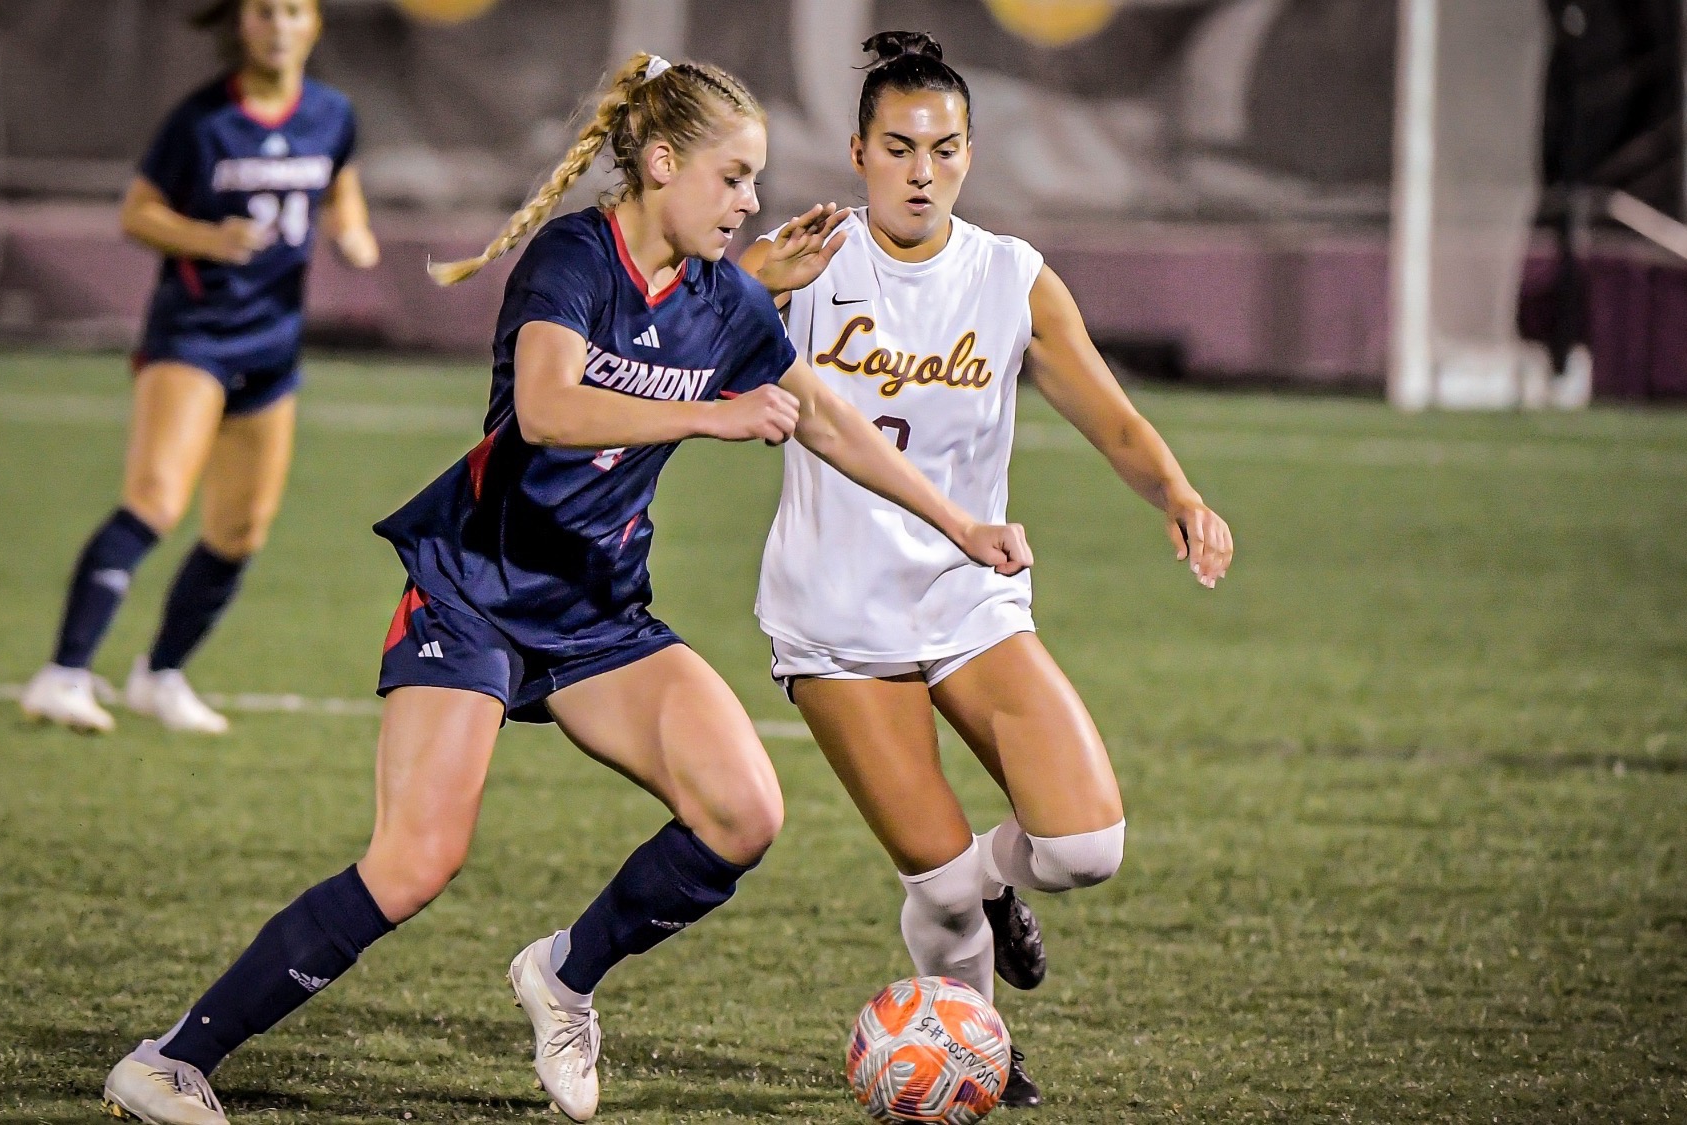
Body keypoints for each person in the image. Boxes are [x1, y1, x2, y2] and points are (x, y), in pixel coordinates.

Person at [98, 51, 1032, 1125]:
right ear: (663, 162)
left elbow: (823, 416)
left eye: (755, 180)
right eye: (732, 177)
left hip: (596, 612)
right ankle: (170, 1060)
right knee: (412, 864)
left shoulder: (722, 298)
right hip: (474, 593)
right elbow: (545, 409)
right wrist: (706, 412)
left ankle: (563, 977)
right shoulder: (572, 259)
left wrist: (959, 522)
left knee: (740, 812)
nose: (750, 202)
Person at [741, 30, 1235, 1107]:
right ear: (858, 150)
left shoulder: (1010, 277)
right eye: (899, 147)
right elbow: (674, 333)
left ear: (970, 153)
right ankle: (977, 1055)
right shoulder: (810, 259)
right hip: (836, 617)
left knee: (1085, 847)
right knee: (943, 890)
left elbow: (1109, 415)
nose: (923, 171)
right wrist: (738, 278)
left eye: (945, 148)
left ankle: (1000, 891)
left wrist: (1177, 493)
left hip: (968, 602)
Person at [19, 0, 379, 735]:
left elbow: (340, 187)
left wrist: (354, 235)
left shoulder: (334, 113)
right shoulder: (202, 120)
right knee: (154, 499)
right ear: (238, 26)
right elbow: (138, 213)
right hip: (194, 336)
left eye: (292, 10)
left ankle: (160, 675)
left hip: (272, 345)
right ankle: (62, 673)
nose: (278, 25)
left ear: (313, 25)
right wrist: (207, 239)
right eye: (263, 12)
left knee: (241, 529)